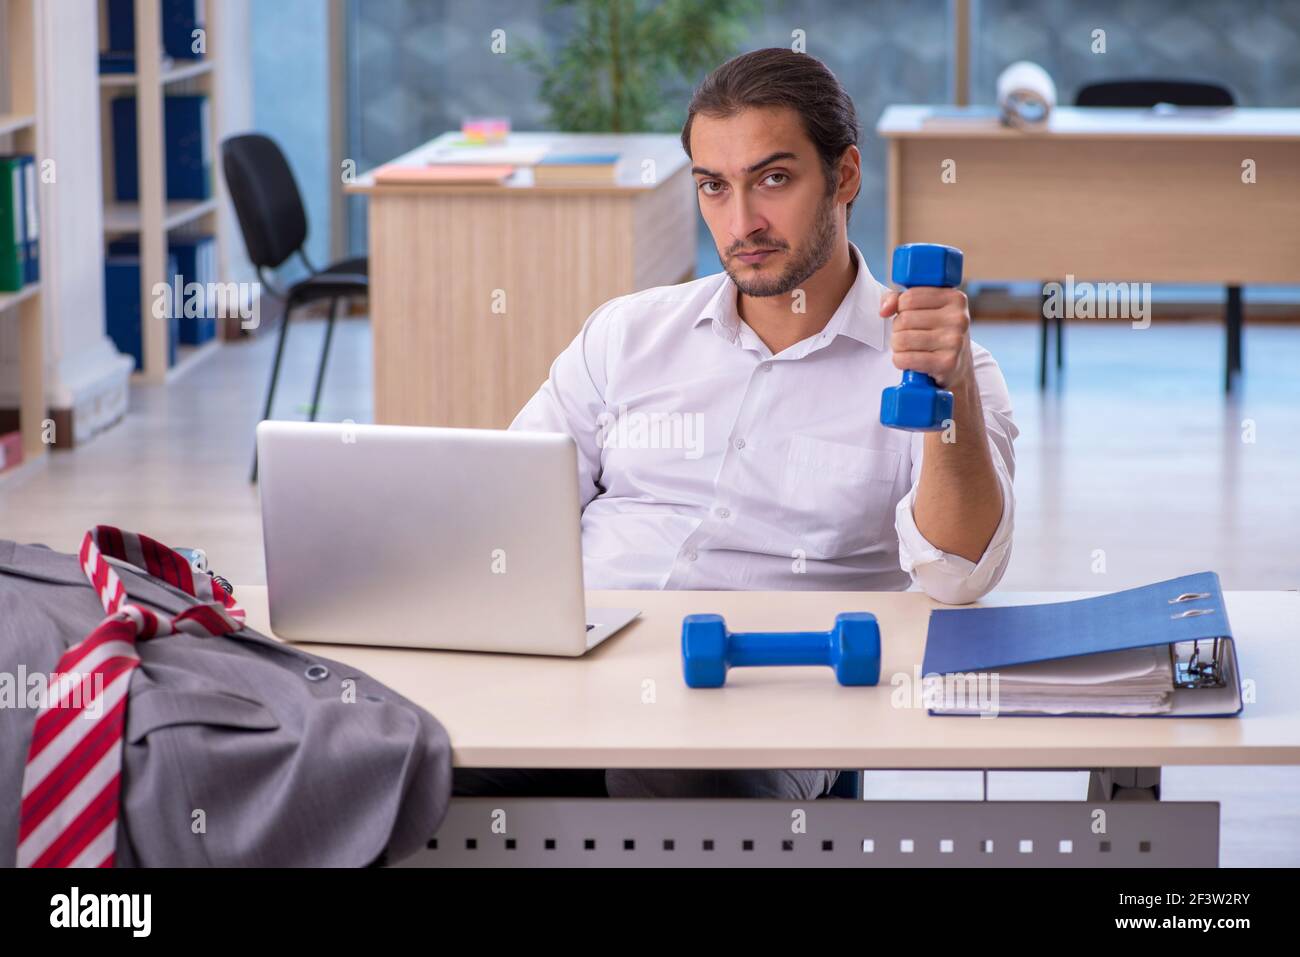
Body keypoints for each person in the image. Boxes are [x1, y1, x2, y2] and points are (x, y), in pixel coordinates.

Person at [455, 47, 1017, 801]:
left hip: (767, 695)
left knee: (674, 775)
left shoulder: (942, 370)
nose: (741, 221)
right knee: (384, 755)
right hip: (578, 669)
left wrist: (948, 395)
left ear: (845, 176)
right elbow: (508, 507)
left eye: (773, 179)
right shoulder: (627, 333)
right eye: (714, 187)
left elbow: (959, 573)